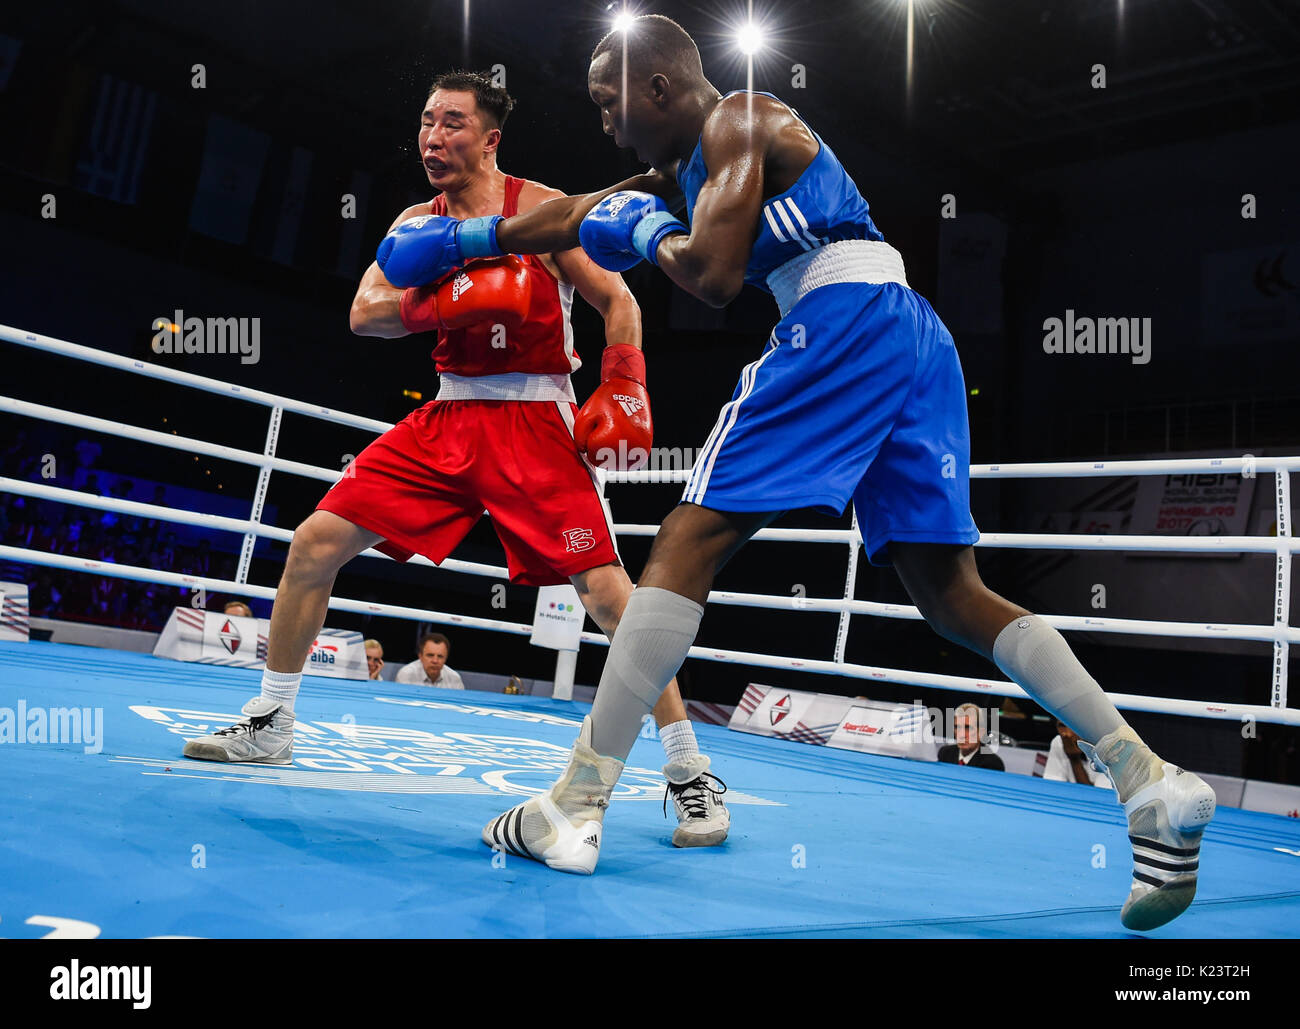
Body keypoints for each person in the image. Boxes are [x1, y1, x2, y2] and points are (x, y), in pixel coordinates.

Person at [377, 15, 1216, 927]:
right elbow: (575, 212)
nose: (608, 125)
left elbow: (711, 274)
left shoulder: (739, 120)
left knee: (684, 545)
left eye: (610, 102)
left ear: (659, 87)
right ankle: (1148, 779)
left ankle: (575, 805)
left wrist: (655, 232)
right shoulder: (687, 156)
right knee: (951, 594)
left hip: (839, 318)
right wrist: (465, 244)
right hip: (907, 336)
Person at [180, 69, 729, 848]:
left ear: (490, 138)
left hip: (536, 420)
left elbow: (621, 300)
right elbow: (363, 311)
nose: (433, 139)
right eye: (427, 124)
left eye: (452, 124)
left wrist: (625, 381)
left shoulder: (539, 209)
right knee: (313, 544)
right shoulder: (415, 222)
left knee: (613, 597)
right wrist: (443, 300)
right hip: (445, 415)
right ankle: (271, 719)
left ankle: (689, 772)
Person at [1043, 719, 1113, 788]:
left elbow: (1095, 796)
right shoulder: (1058, 742)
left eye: (1072, 726)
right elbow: (1053, 786)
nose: (1067, 734)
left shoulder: (1107, 749)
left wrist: (1074, 760)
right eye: (1062, 726)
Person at [936, 703, 1005, 770]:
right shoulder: (945, 753)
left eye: (968, 728)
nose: (962, 735)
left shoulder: (992, 764)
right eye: (957, 727)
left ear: (981, 732)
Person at [394, 631, 464, 689]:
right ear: (420, 656)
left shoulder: (454, 678)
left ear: (446, 658)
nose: (435, 661)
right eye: (430, 655)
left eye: (440, 656)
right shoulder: (406, 674)